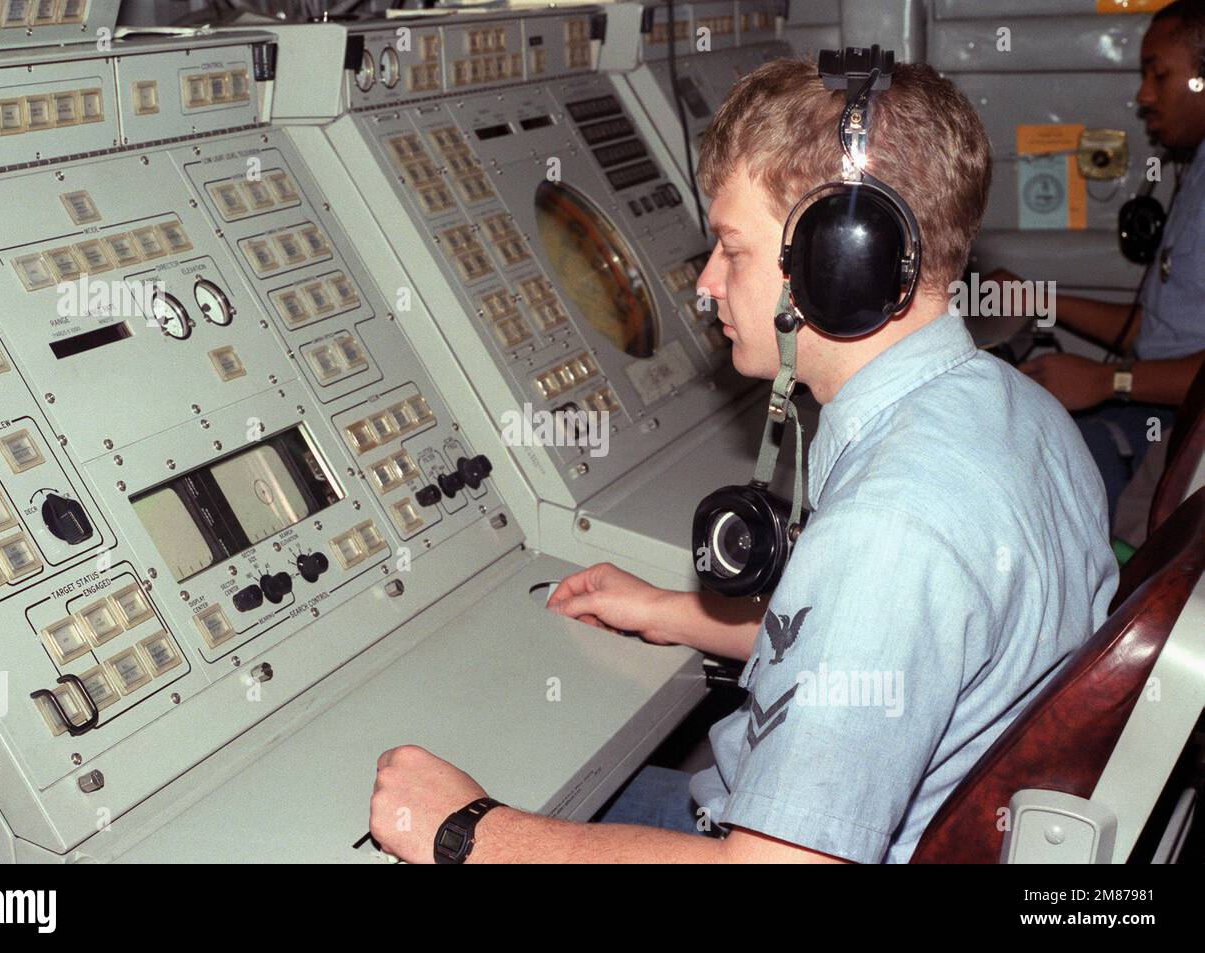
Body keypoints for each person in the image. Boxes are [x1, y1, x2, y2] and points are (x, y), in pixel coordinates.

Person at [367, 55, 1119, 864]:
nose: (707, 284)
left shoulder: (888, 531)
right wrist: (676, 613)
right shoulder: (1024, 411)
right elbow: (908, 659)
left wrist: (465, 830)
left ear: (840, 263)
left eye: (732, 248)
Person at [1006, 0, 1205, 525]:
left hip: (1183, 439)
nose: (1143, 96)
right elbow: (1156, 330)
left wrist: (1111, 382)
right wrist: (1036, 300)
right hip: (1153, 413)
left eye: (1158, 75)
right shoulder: (1194, 170)